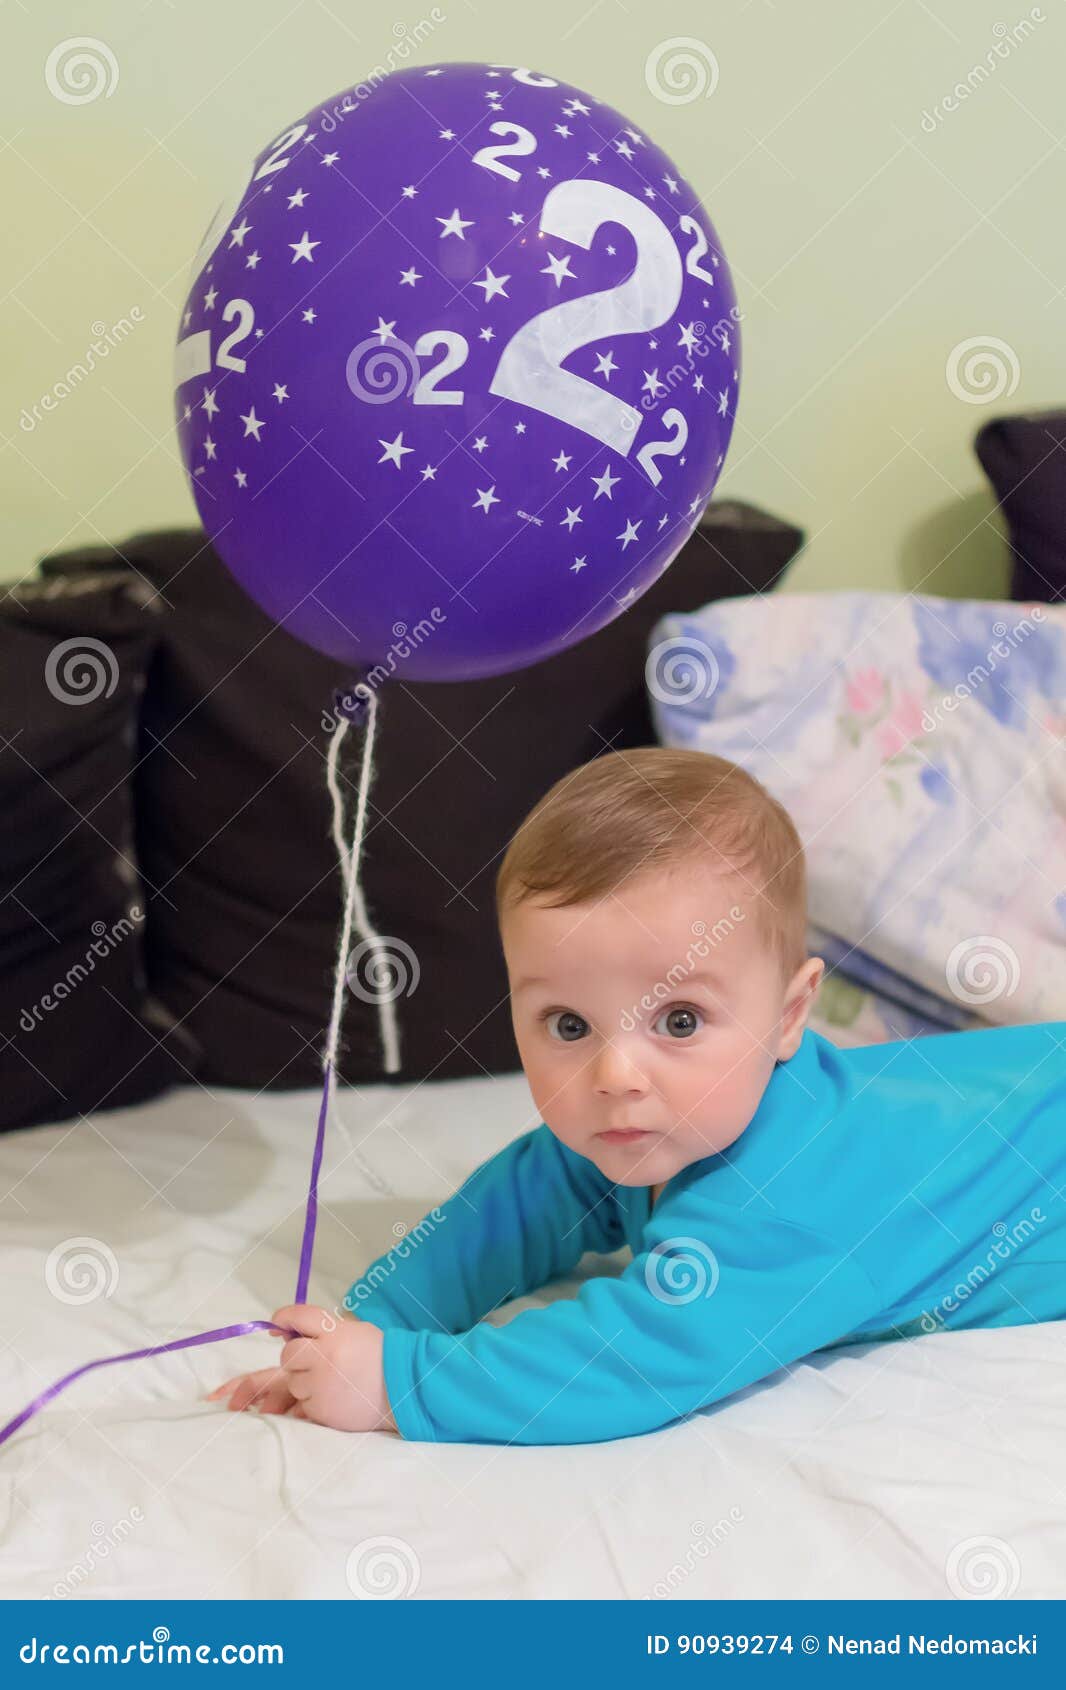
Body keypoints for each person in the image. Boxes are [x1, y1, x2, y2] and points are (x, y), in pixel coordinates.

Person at [206, 748, 1066, 1443]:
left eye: (682, 1020)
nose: (616, 1074)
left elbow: (632, 1359)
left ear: (789, 1015)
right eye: (570, 1025)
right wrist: (361, 1328)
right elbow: (498, 1219)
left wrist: (399, 1383)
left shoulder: (786, 1199)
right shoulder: (636, 1128)